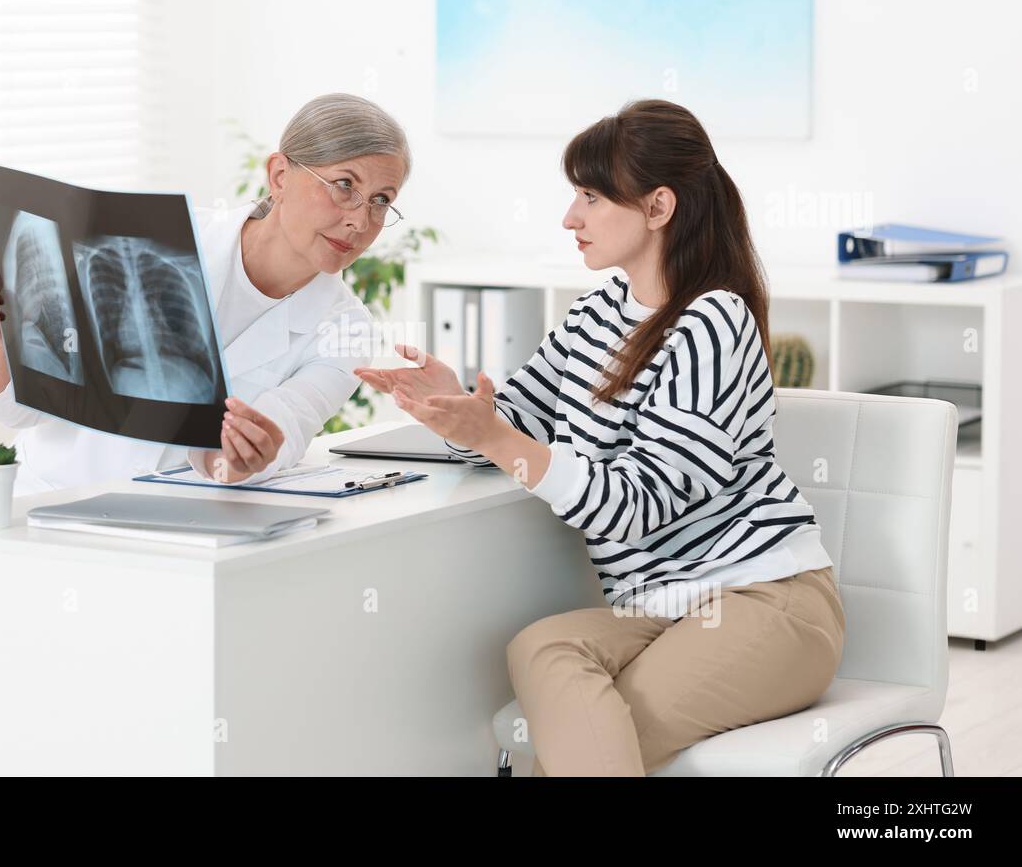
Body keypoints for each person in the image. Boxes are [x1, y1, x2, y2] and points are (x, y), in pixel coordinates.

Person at [354, 99, 845, 776]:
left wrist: (494, 435)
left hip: (765, 601)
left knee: (579, 747)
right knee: (541, 650)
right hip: (659, 608)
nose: (570, 218)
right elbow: (512, 425)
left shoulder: (713, 322)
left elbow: (639, 505)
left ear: (659, 206)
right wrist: (455, 407)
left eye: (590, 196)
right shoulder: (593, 316)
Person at [0, 93, 410, 496]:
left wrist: (240, 459)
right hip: (50, 504)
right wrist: (4, 345)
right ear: (279, 175)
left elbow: (278, 432)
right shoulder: (153, 241)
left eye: (381, 200)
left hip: (178, 524)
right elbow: (20, 414)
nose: (360, 221)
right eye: (344, 185)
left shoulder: (347, 331)